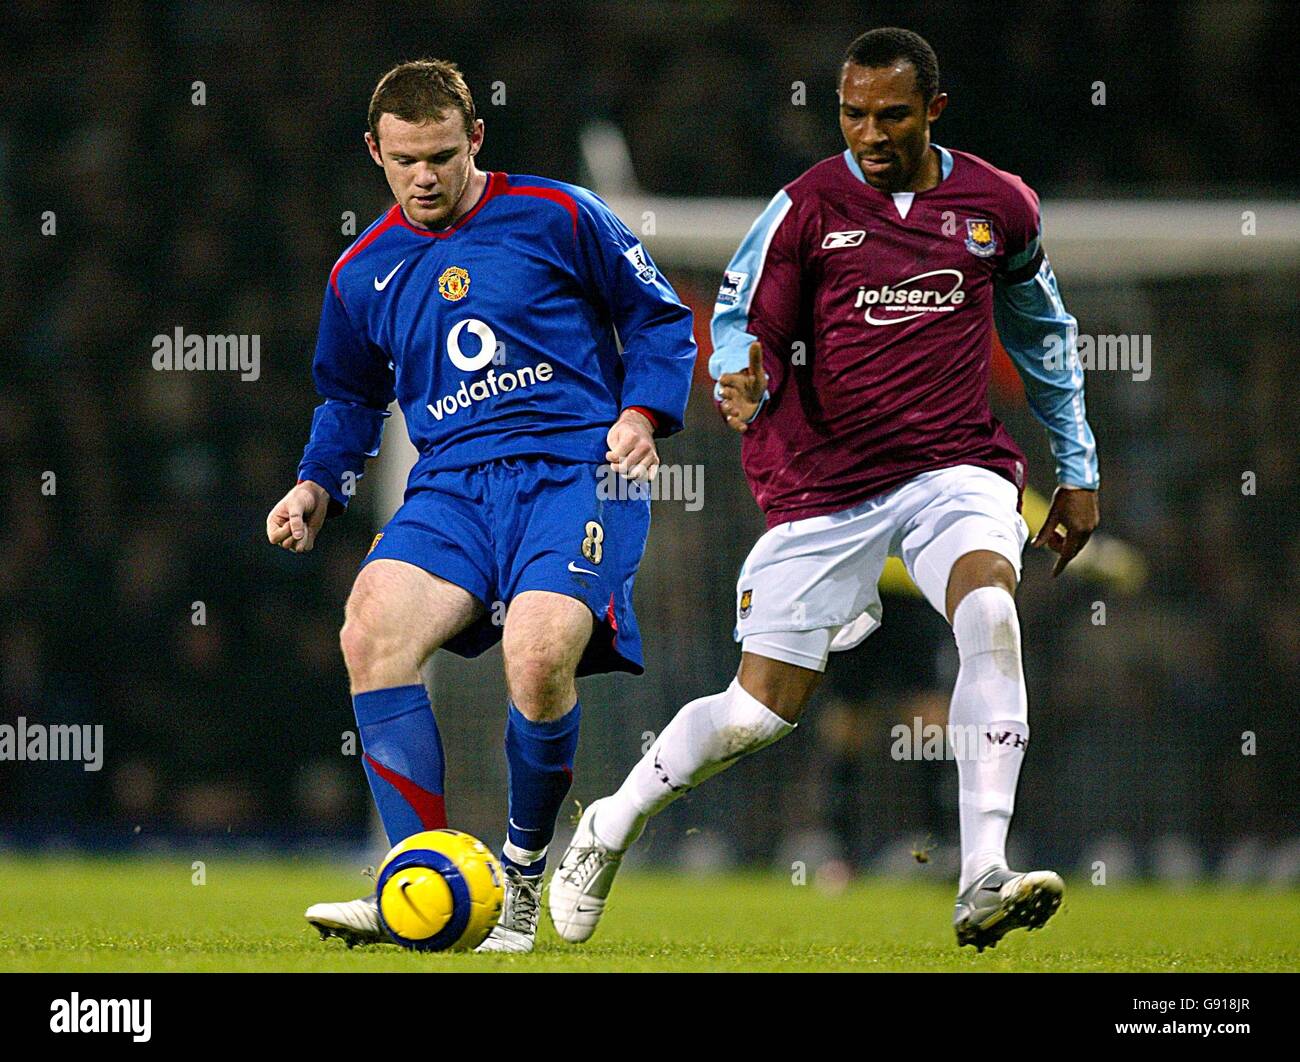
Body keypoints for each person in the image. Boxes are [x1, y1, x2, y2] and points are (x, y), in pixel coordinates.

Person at [549, 27, 1099, 952]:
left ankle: (980, 875)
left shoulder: (997, 206)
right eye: (853, 113)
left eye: (891, 114)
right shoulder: (809, 205)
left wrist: (1078, 468)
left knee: (990, 616)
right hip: (822, 486)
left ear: (934, 108)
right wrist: (739, 369)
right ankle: (610, 821)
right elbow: (736, 313)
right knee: (758, 713)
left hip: (952, 470)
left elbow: (1046, 336)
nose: (871, 132)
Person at [266, 59, 695, 953]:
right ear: (375, 152)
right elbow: (348, 399)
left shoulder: (562, 215)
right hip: (453, 486)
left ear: (477, 141)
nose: (425, 176)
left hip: (575, 471)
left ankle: (525, 880)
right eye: (406, 159)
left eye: (443, 156)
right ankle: (424, 883)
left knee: (538, 657)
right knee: (369, 630)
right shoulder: (359, 273)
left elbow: (658, 317)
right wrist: (316, 483)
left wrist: (642, 413)